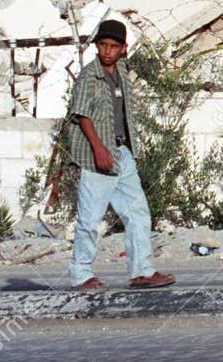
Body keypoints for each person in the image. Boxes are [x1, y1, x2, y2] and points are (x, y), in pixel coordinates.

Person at [64, 20, 175, 291]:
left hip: (122, 152)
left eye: (114, 46)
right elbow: (81, 115)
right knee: (90, 219)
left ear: (123, 49)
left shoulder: (122, 71)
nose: (107, 51)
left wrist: (125, 149)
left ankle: (142, 272)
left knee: (137, 212)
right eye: (103, 45)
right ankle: (81, 274)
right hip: (97, 157)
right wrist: (99, 148)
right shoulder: (89, 76)